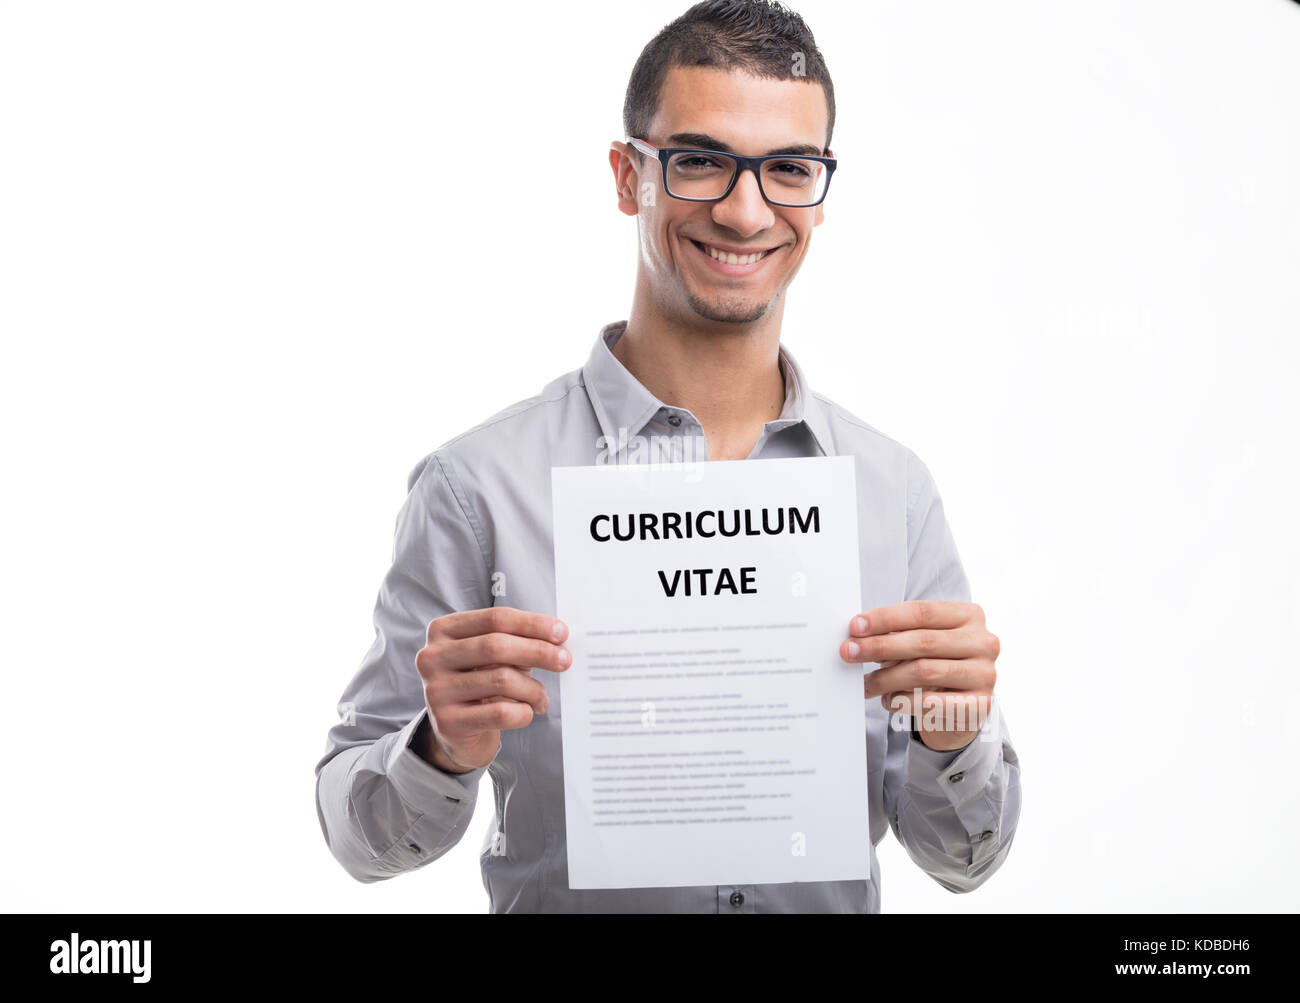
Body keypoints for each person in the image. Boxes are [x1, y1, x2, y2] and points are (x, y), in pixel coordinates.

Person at [314, 0, 1021, 913]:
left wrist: (954, 728)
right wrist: (438, 745)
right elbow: (355, 837)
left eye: (789, 169)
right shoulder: (477, 488)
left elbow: (964, 858)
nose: (743, 210)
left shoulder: (892, 494)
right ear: (627, 175)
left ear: (820, 187)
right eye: (698, 161)